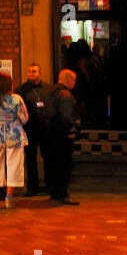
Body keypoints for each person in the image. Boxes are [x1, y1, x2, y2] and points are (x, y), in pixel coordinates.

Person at [0, 70, 29, 209]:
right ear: (9, 84)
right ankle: (9, 197)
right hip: (14, 133)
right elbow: (25, 118)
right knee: (14, 164)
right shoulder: (16, 99)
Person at [44, 69, 80, 206]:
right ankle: (63, 194)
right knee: (64, 165)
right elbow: (67, 116)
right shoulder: (65, 95)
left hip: (49, 134)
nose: (75, 84)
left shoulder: (48, 92)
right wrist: (72, 130)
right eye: (74, 81)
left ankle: (54, 192)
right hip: (62, 136)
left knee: (52, 164)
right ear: (68, 80)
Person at [17, 64, 48, 197]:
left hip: (45, 128)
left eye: (34, 71)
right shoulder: (21, 89)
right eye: (29, 71)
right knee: (30, 158)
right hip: (29, 128)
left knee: (47, 156)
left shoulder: (47, 88)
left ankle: (49, 183)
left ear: (40, 73)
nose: (31, 74)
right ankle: (32, 186)